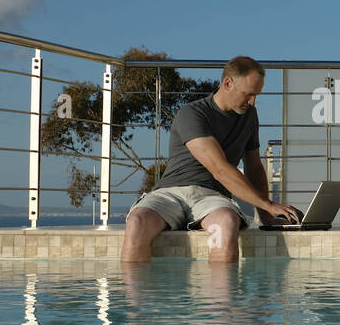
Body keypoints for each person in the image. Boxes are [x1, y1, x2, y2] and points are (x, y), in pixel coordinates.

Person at [121, 56, 302, 263]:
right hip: (171, 193)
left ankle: (219, 296)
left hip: (211, 197)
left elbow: (254, 166)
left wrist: (267, 216)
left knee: (226, 222)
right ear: (227, 83)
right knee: (137, 222)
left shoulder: (249, 116)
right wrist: (269, 204)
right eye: (248, 94)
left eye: (256, 95)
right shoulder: (192, 114)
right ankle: (135, 295)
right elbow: (220, 169)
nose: (252, 101)